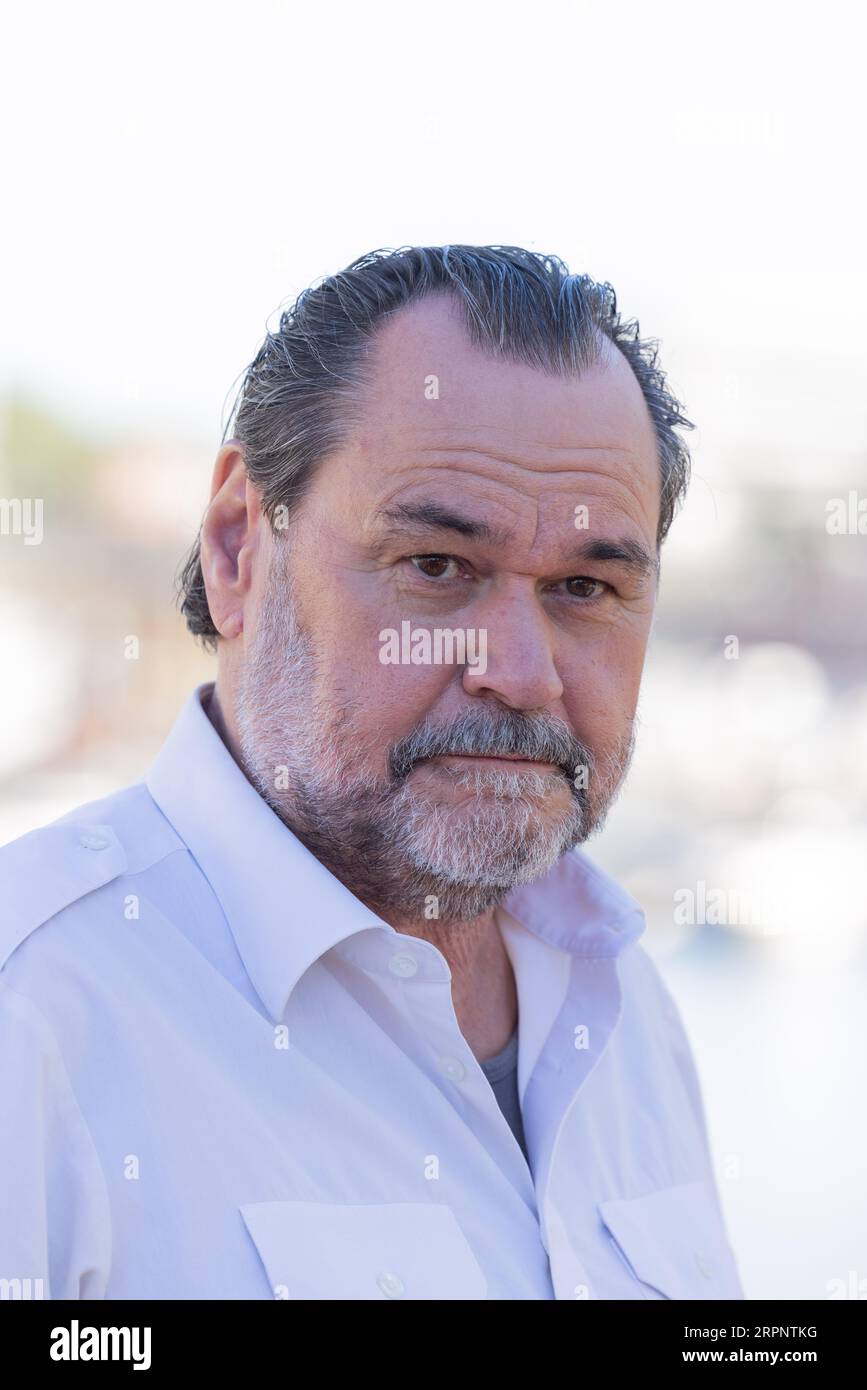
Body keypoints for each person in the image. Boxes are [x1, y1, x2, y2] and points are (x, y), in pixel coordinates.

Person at [0, 244, 745, 1300]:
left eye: (585, 586)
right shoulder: (33, 1020)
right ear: (235, 550)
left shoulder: (623, 1004)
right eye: (436, 568)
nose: (520, 675)